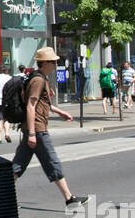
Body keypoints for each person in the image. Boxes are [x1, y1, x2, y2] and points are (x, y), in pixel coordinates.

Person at [11, 48, 88, 208]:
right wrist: (32, 133)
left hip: (32, 128)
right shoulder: (38, 80)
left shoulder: (39, 78)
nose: (55, 64)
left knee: (18, 165)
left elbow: (43, 103)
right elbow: (31, 106)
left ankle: (0, 196)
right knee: (52, 162)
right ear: (44, 63)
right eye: (53, 62)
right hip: (37, 129)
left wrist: (60, 112)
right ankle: (69, 198)